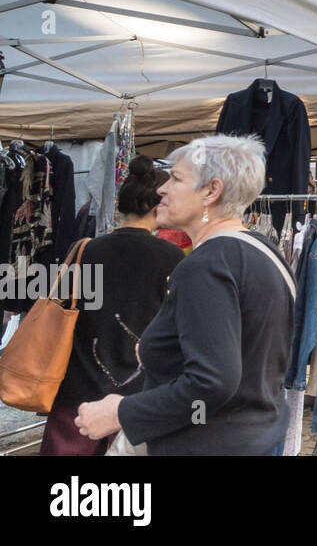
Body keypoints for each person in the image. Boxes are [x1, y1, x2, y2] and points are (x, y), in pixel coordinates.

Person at [74, 135, 296, 454]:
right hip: (254, 439)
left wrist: (120, 412)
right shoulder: (262, 251)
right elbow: (245, 353)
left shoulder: (207, 264)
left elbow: (212, 381)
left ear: (211, 191)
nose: (162, 189)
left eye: (176, 178)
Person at [39, 156, 185, 456]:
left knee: (67, 498)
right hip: (139, 396)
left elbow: (61, 308)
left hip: (77, 390)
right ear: (158, 204)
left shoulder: (86, 249)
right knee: (130, 499)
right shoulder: (172, 257)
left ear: (121, 205)